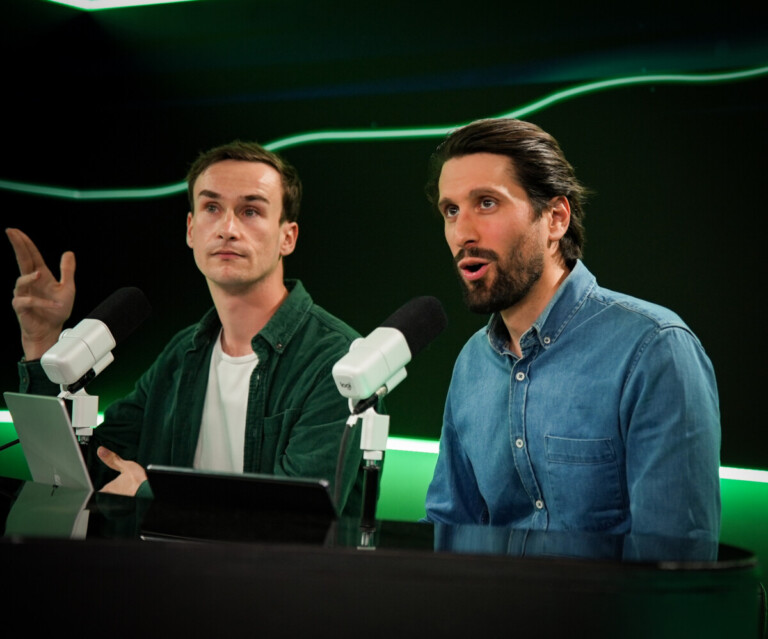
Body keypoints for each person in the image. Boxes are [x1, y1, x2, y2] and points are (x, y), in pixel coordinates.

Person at [7, 141, 364, 515]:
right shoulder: (182, 354)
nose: (227, 229)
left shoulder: (337, 362)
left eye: (251, 211)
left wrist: (150, 494)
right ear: (191, 230)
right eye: (212, 208)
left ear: (287, 237)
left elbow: (297, 518)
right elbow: (87, 471)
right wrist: (42, 343)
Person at [423, 118, 721, 541]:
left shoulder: (655, 349)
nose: (462, 233)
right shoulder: (473, 362)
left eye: (487, 203)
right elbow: (448, 532)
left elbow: (671, 559)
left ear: (556, 219)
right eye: (451, 211)